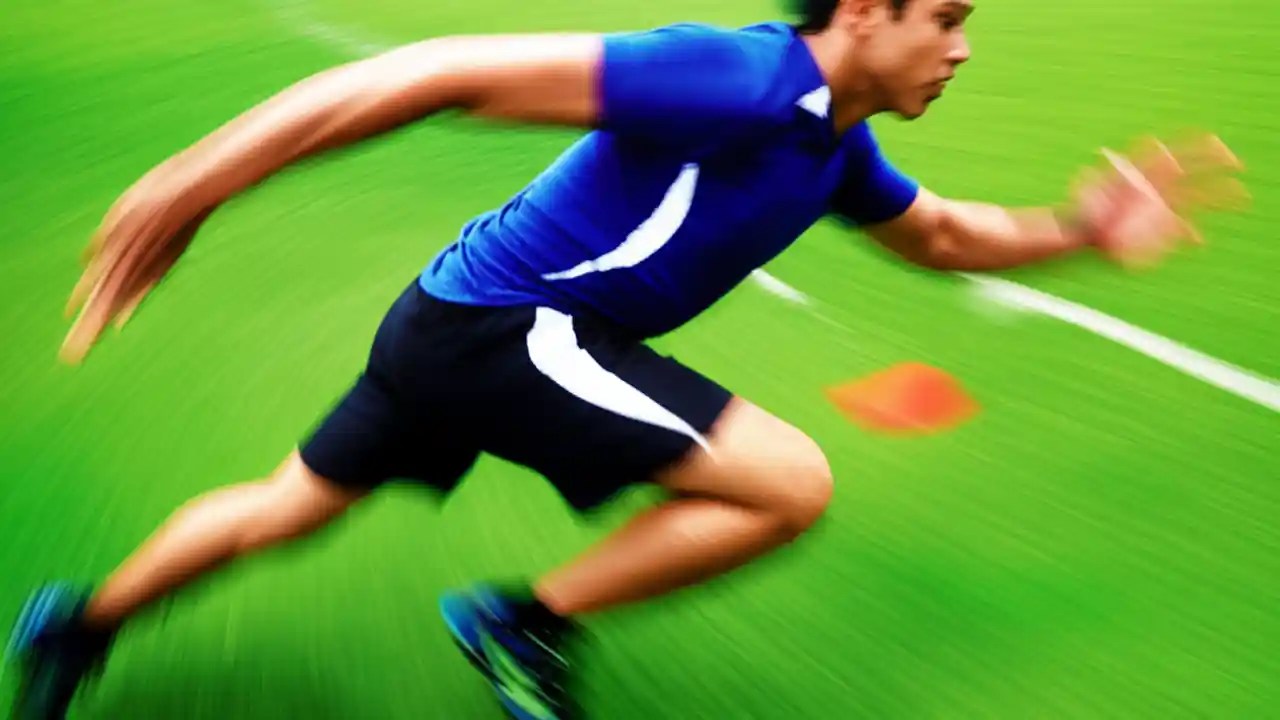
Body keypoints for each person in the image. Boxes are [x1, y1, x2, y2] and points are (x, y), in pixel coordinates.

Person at [6, 0, 1244, 718]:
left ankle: (76, 625)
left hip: (455, 321)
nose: (962, 48)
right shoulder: (742, 73)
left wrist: (1078, 232)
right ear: (863, 14)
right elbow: (433, 71)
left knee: (288, 507)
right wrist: (192, 181)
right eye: (947, 18)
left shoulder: (832, 142)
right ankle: (520, 623)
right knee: (785, 480)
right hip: (508, 328)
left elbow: (937, 235)